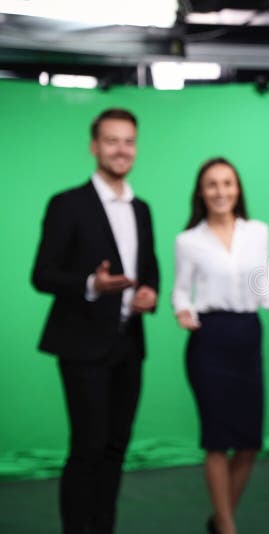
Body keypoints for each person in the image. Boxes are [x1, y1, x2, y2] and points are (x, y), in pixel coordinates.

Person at [31, 108, 160, 534]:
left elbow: (150, 268)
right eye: (112, 140)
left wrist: (149, 295)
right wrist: (92, 283)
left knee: (115, 449)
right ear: (94, 146)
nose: (121, 149)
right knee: (87, 448)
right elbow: (42, 274)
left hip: (128, 345)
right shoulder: (67, 204)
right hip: (82, 345)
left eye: (128, 141)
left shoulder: (142, 209)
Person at [172, 157, 269, 534]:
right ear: (201, 192)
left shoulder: (257, 232)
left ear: (238, 189)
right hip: (209, 341)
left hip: (247, 337)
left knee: (248, 443)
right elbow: (181, 291)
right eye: (212, 184)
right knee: (217, 442)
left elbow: (263, 287)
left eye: (227, 183)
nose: (220, 191)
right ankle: (229, 528)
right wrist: (182, 312)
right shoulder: (188, 241)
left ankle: (219, 521)